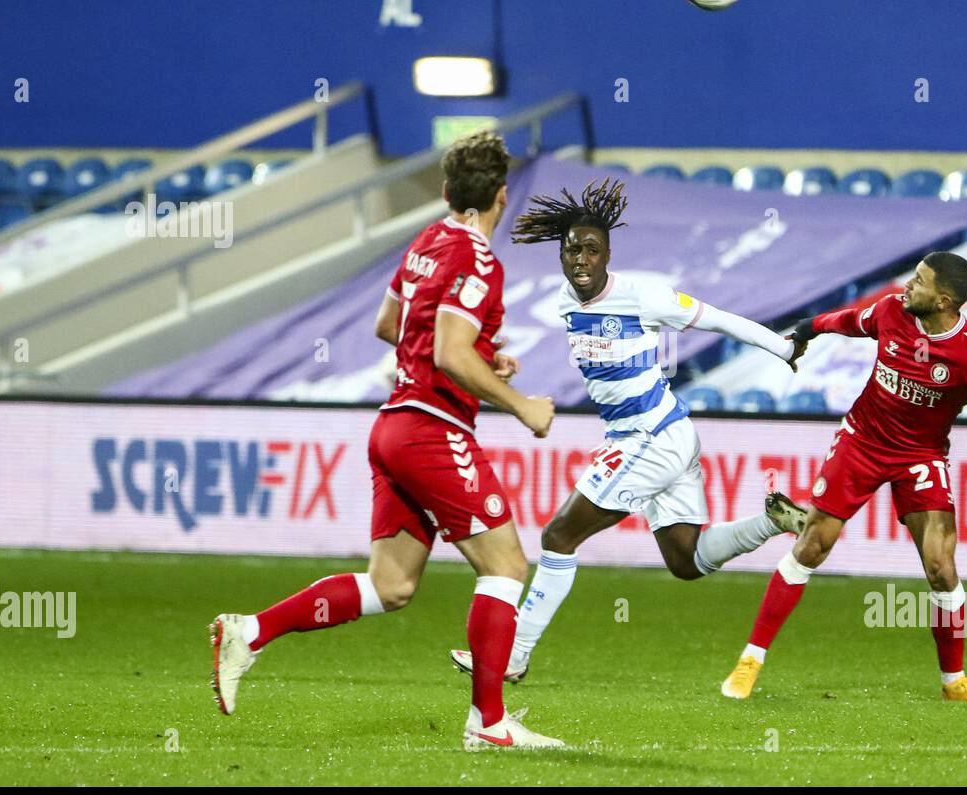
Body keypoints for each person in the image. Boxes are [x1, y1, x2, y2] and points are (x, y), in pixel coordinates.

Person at [210, 131, 565, 749]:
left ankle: (250, 631)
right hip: (433, 428)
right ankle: (488, 723)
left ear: (448, 191)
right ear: (502, 196)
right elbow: (451, 352)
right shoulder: (480, 261)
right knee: (507, 565)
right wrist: (522, 406)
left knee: (391, 586)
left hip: (392, 426)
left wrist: (483, 356)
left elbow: (391, 326)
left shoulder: (425, 242)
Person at [450, 179, 809, 684]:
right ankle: (774, 522)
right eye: (571, 249)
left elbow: (718, 320)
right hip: (660, 433)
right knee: (687, 561)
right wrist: (496, 357)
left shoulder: (643, 296)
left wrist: (783, 347)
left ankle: (515, 652)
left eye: (590, 250)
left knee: (558, 536)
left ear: (608, 255)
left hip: (652, 434)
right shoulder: (562, 299)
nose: (579, 259)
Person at [720, 250, 967, 703]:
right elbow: (850, 320)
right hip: (861, 443)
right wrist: (808, 328)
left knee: (941, 567)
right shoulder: (892, 312)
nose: (907, 285)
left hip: (920, 457)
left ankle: (954, 683)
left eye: (920, 281)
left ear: (944, 301)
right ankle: (750, 662)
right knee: (814, 544)